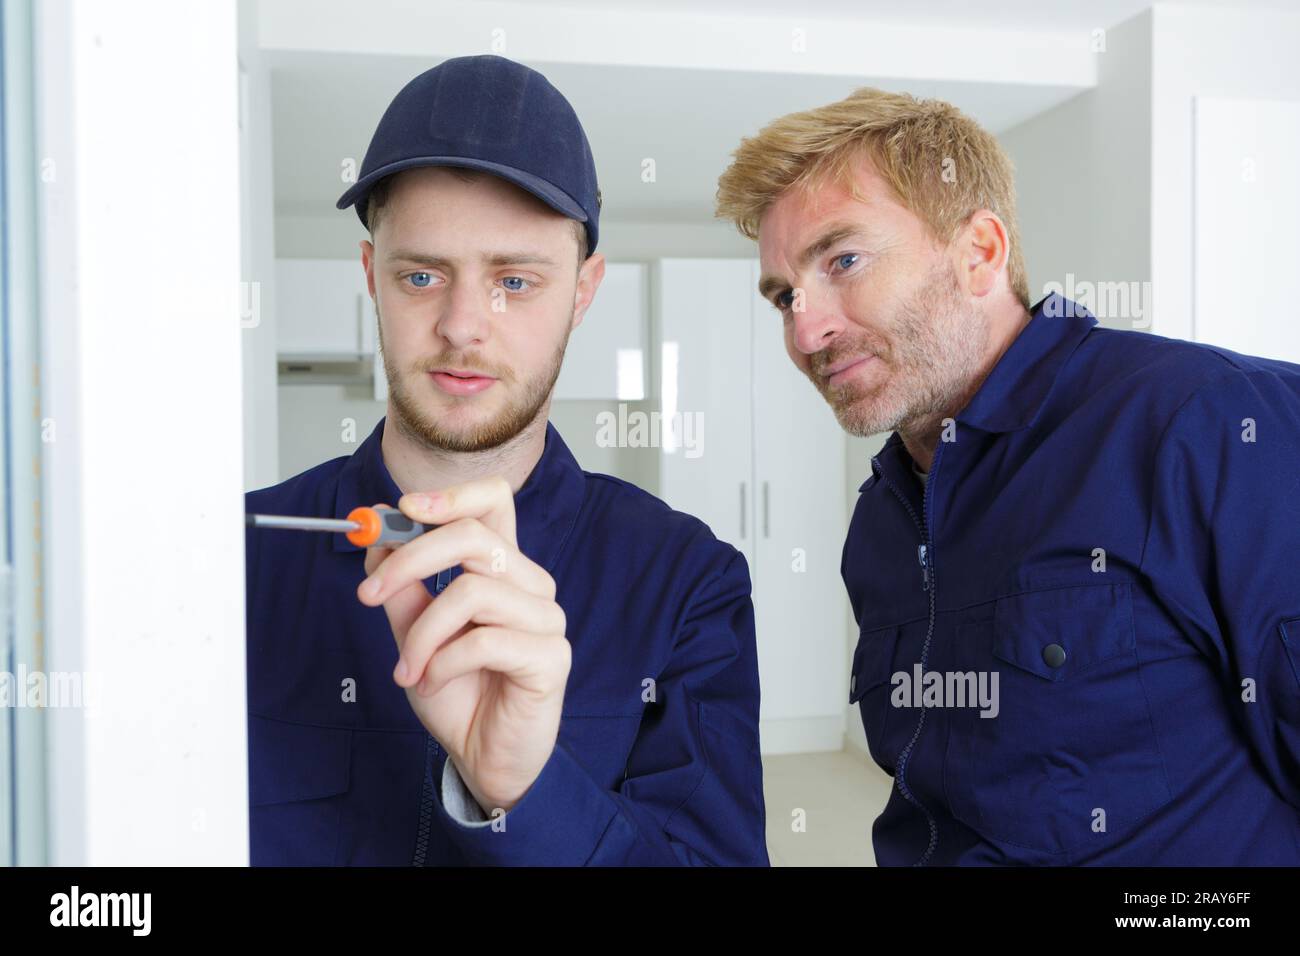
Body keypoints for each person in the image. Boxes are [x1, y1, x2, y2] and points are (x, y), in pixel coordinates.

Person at [715, 87, 1300, 864]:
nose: (806, 327)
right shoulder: (883, 521)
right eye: (785, 295)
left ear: (980, 254)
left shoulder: (1207, 421)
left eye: (844, 260)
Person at [245, 55, 767, 866]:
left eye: (515, 282)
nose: (463, 325)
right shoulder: (244, 553)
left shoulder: (688, 584)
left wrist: (528, 791)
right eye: (421, 274)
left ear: (584, 292)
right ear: (372, 280)